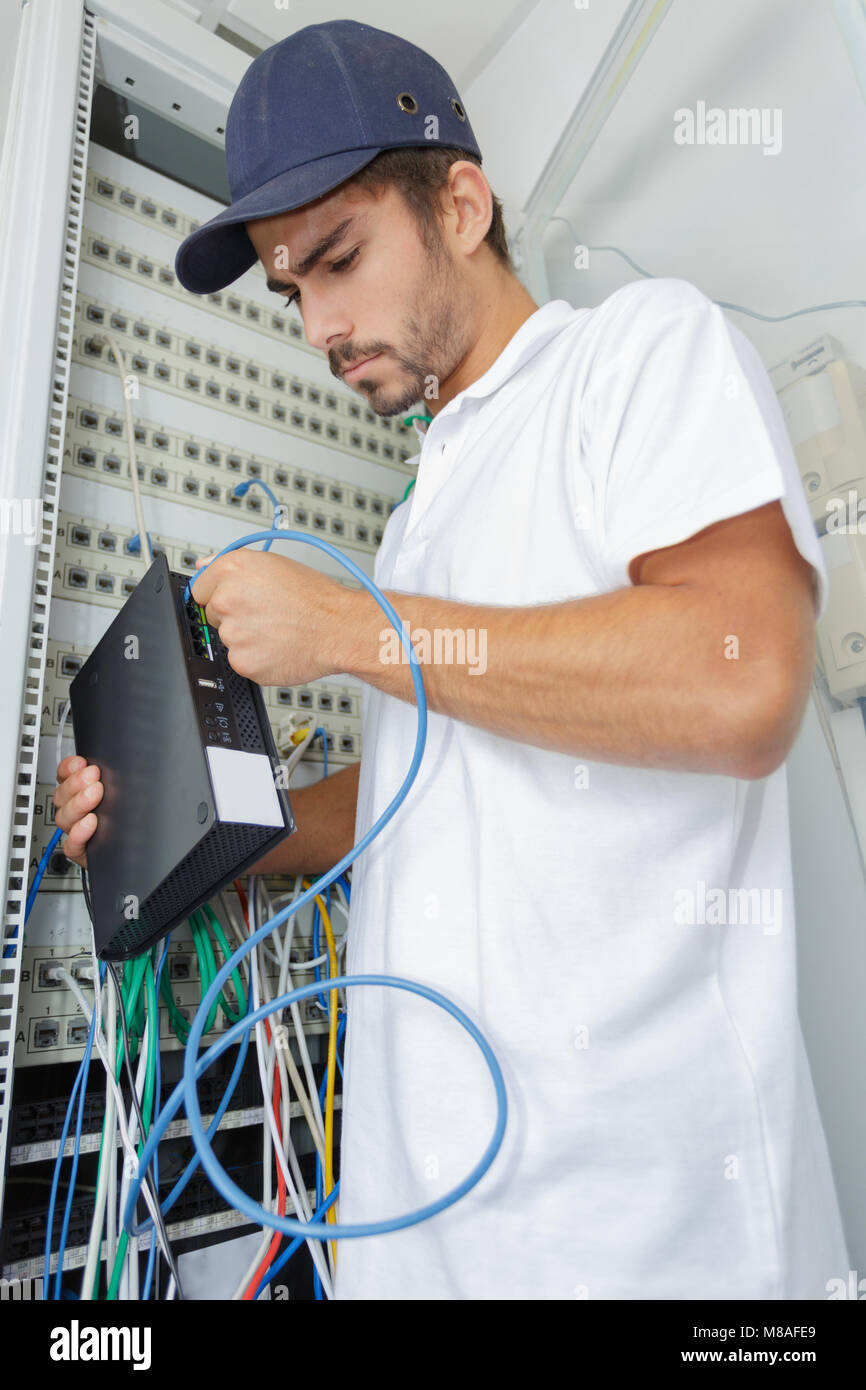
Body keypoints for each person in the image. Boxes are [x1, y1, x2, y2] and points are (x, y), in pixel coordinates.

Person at [54, 20, 849, 1300]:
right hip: (417, 1240)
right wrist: (193, 839)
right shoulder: (418, 511)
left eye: (339, 258)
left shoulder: (634, 358)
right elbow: (425, 795)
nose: (316, 321)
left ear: (462, 204)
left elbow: (738, 676)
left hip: (644, 1249)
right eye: (287, 286)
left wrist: (347, 631)